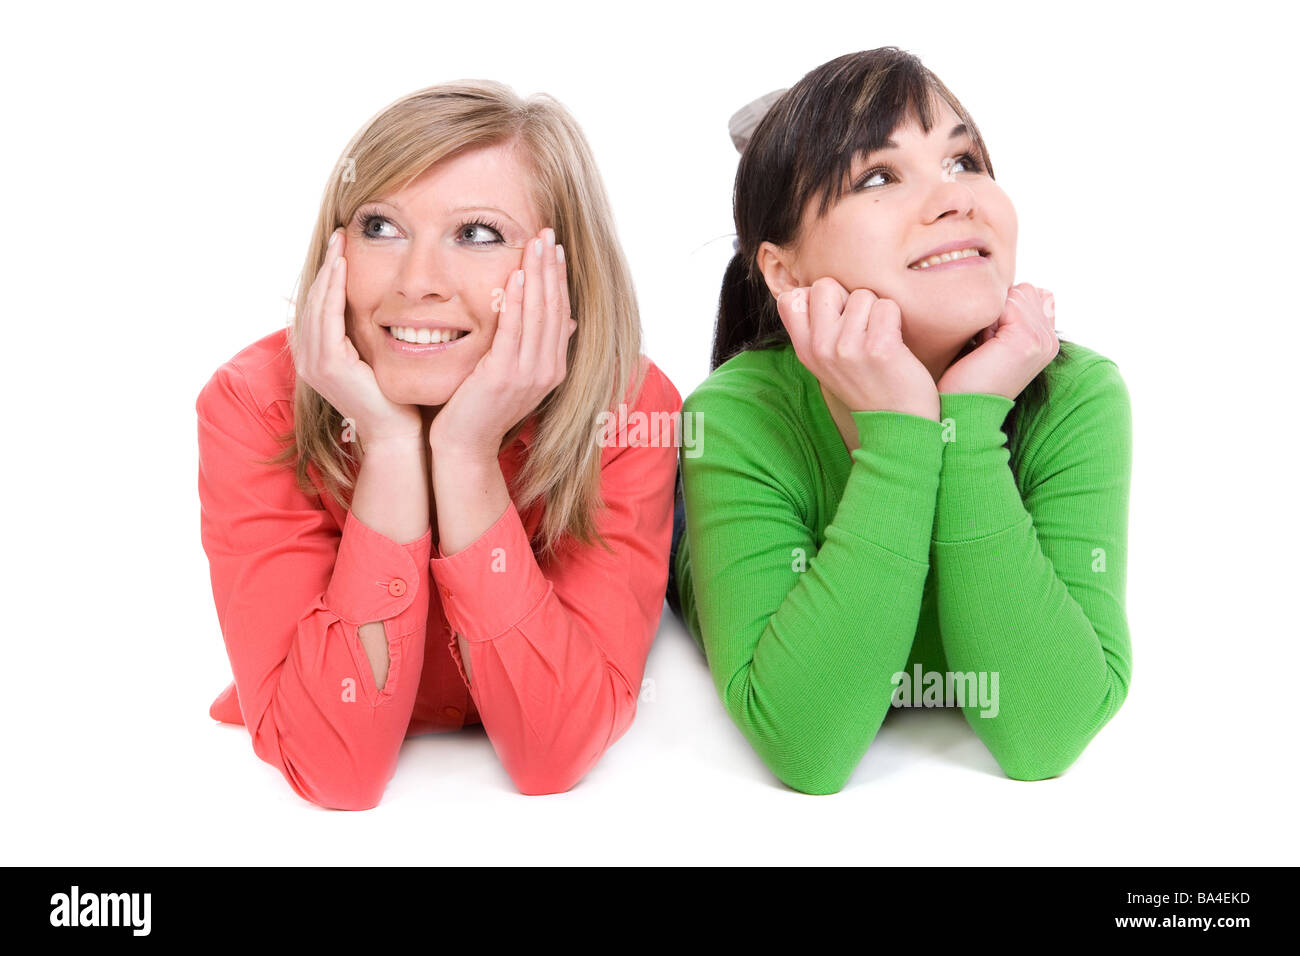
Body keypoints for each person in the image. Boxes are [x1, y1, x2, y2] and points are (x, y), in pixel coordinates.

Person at [196, 80, 681, 810]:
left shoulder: (629, 412)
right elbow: (333, 770)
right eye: (381, 227)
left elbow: (553, 752)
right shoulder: (252, 406)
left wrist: (464, 456)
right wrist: (392, 449)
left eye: (478, 234)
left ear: (565, 272)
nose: (418, 282)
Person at [668, 48, 1133, 794]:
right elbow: (810, 748)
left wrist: (970, 420)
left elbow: (1045, 732)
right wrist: (900, 432)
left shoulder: (1079, 395)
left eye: (964, 159)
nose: (957, 199)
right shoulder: (731, 417)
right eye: (878, 176)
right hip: (702, 521)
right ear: (784, 272)